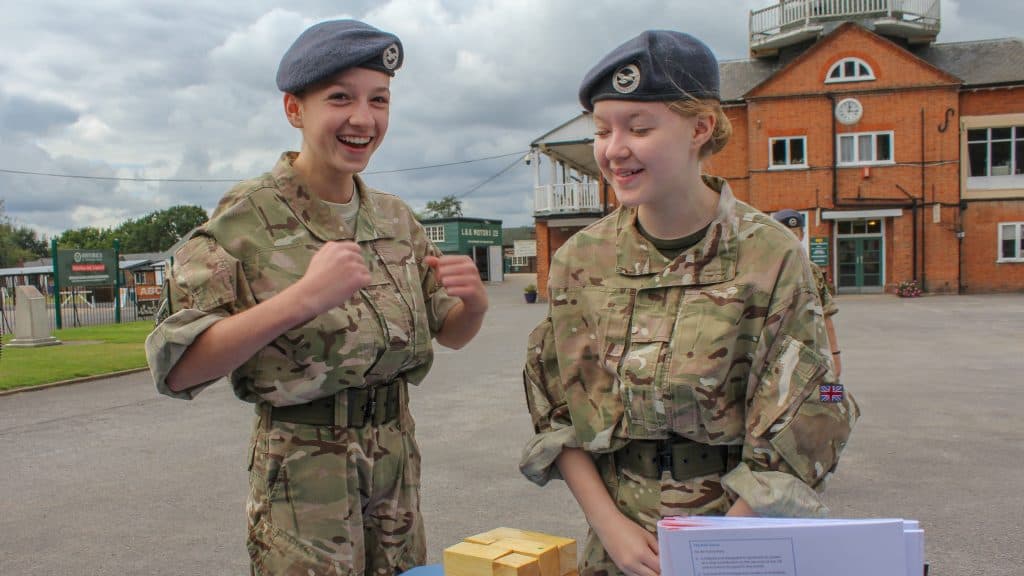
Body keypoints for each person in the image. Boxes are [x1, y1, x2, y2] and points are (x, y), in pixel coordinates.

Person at [145, 20, 488, 576]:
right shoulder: (245, 221)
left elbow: (448, 331)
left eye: (379, 100)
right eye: (340, 98)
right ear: (294, 109)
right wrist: (301, 299)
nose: (363, 118)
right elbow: (178, 370)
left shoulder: (397, 219)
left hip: (394, 464)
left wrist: (473, 306)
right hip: (303, 472)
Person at [519, 30, 859, 576]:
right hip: (620, 546)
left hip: (739, 537)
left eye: (640, 127)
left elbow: (806, 423)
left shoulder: (769, 255)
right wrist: (614, 531)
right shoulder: (581, 260)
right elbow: (557, 411)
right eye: (603, 130)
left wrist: (713, 546)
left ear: (701, 128)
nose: (614, 149)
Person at [773, 209, 842, 378]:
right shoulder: (764, 271)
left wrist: (836, 356)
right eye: (785, 233)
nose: (790, 238)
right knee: (783, 403)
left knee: (832, 397)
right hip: (775, 358)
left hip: (814, 353)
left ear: (802, 235)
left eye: (795, 233)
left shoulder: (812, 270)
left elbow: (826, 316)